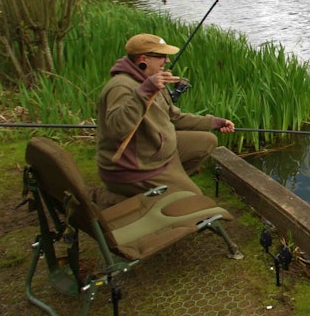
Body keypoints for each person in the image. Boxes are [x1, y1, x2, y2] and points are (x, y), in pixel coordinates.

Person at [95, 33, 235, 203]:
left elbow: (174, 118)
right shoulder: (121, 87)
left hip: (158, 152)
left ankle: (166, 187)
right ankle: (126, 196)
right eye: (162, 56)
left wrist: (213, 122)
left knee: (208, 141)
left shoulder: (151, 81)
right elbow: (116, 129)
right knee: (194, 203)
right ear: (143, 59)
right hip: (135, 167)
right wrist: (145, 92)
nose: (167, 61)